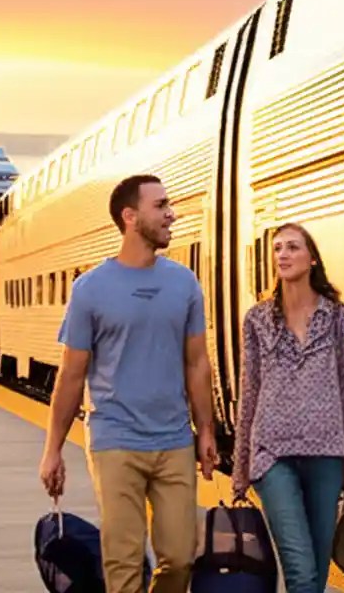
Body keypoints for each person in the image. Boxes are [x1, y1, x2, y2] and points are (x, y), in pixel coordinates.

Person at [39, 174, 219, 593]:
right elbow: (71, 375)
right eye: (161, 206)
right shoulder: (90, 290)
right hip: (114, 440)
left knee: (179, 558)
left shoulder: (184, 284)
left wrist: (206, 429)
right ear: (130, 216)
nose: (171, 213)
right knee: (123, 562)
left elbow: (197, 363)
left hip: (174, 439)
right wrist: (52, 449)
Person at [231, 222, 344, 593]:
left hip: (326, 454)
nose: (282, 254)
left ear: (312, 258)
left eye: (292, 247)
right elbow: (250, 391)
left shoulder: (336, 316)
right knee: (301, 572)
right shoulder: (257, 319)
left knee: (317, 572)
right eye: (277, 248)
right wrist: (241, 468)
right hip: (272, 455)